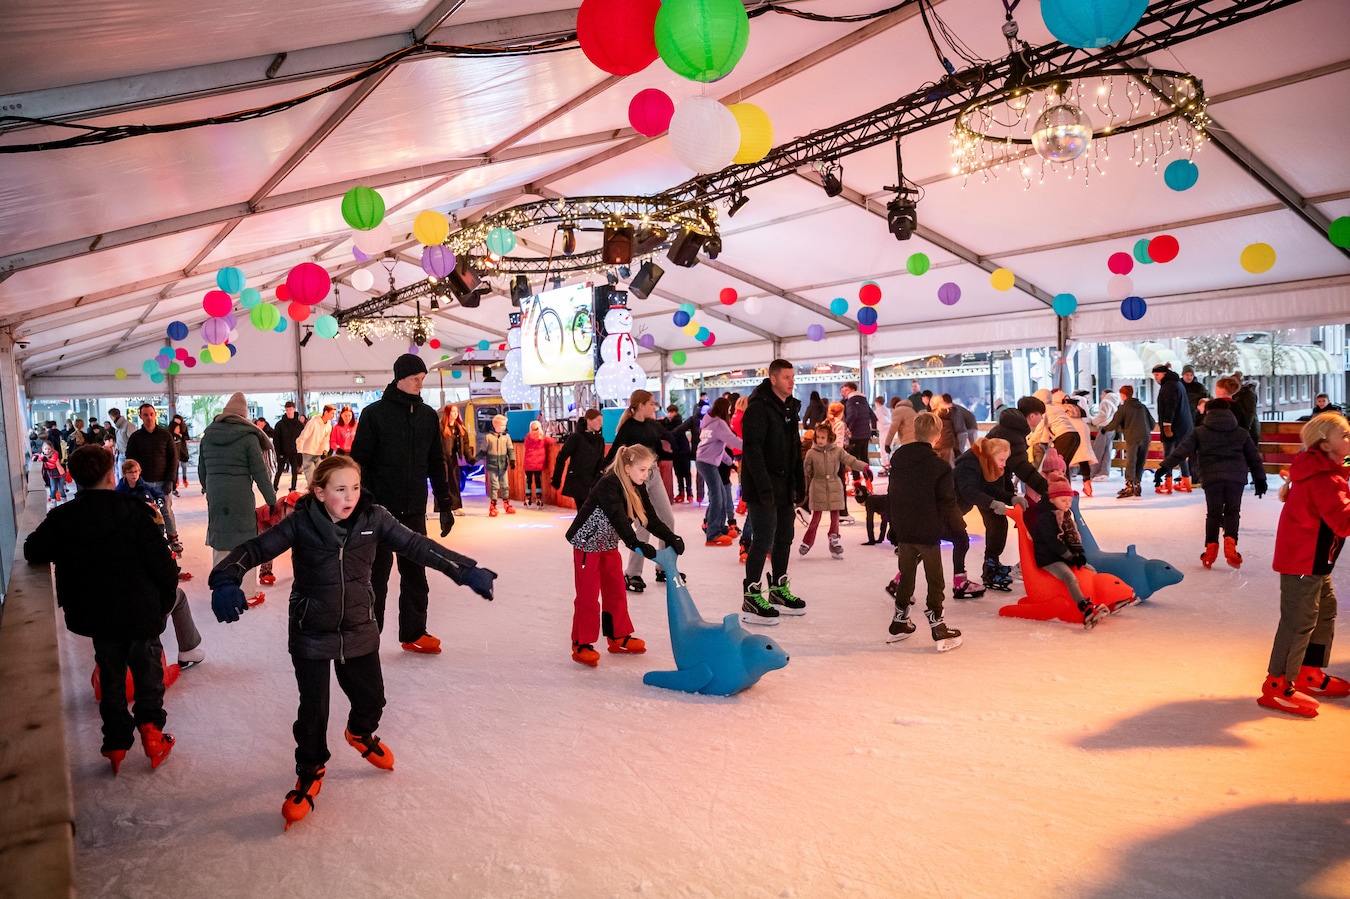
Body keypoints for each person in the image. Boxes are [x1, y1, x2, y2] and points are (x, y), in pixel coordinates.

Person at [207, 455, 496, 829]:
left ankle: (359, 731)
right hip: (311, 627)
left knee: (371, 699)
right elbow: (256, 549)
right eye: (341, 489)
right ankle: (310, 770)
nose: (351, 497)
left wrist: (464, 570)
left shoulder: (374, 519)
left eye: (355, 488)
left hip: (359, 625)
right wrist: (226, 577)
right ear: (320, 492)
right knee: (313, 711)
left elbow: (417, 546)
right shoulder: (302, 523)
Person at [25, 445, 180, 773]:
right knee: (148, 671)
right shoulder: (137, 512)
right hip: (140, 611)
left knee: (111, 674)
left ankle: (115, 743)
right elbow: (163, 566)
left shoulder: (63, 518)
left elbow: (32, 549)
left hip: (97, 615)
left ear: (78, 480)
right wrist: (163, 603)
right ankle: (152, 733)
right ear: (112, 476)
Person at [349, 353, 457, 655]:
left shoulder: (426, 417)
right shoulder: (374, 414)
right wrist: (362, 503)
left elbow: (437, 462)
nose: (420, 385)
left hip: (413, 510)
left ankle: (414, 632)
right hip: (379, 511)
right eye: (415, 379)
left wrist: (444, 504)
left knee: (415, 574)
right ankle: (368, 634)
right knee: (376, 575)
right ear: (400, 378)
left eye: (423, 380)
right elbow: (361, 462)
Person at [1258, 414, 1350, 718]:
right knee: (1298, 620)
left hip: (1317, 560)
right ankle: (1277, 684)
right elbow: (1343, 520)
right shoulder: (1323, 477)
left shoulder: (1327, 469)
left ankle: (1310, 672)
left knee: (1325, 611)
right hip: (1303, 560)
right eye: (1345, 436)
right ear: (1325, 443)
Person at [564, 444, 684, 667]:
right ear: (628, 468)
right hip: (586, 543)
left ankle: (618, 636)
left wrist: (671, 537)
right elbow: (618, 516)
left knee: (616, 588)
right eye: (642, 469)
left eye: (648, 470)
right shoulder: (609, 483)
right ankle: (581, 643)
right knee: (588, 594)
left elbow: (649, 517)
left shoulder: (637, 485)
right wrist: (635, 543)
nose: (646, 475)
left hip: (609, 543)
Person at [883, 411, 965, 651]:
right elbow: (947, 501)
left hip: (905, 529)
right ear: (938, 436)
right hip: (928, 531)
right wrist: (959, 527)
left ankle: (899, 620)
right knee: (935, 578)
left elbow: (893, 495)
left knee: (906, 575)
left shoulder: (899, 458)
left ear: (914, 432)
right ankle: (938, 624)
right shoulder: (939, 466)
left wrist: (893, 527)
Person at [1155, 397, 1268, 568]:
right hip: (1236, 478)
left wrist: (1164, 468)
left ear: (1208, 412)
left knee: (1213, 514)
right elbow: (1254, 458)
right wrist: (1260, 479)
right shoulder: (1241, 432)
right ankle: (1231, 548)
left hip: (1211, 477)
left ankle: (1210, 550)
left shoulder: (1200, 432)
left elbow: (1181, 450)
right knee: (1232, 511)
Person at [739, 359, 808, 625]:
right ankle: (751, 594)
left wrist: (798, 480)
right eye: (787, 377)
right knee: (764, 537)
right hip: (761, 485)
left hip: (783, 483)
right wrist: (764, 486)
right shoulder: (758, 409)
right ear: (773, 379)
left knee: (785, 536)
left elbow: (794, 447)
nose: (792, 381)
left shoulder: (789, 406)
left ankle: (778, 589)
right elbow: (753, 451)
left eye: (793, 377)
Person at [198, 392, 278, 607]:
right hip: (240, 493)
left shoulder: (209, 435)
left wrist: (210, 489)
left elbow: (201, 469)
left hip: (216, 492)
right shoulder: (249, 436)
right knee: (245, 541)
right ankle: (248, 592)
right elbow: (260, 473)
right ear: (243, 415)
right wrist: (272, 500)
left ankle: (221, 589)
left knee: (221, 538)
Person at [604, 390, 678, 592]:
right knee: (644, 525)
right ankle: (633, 573)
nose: (654, 407)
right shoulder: (628, 428)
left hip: (653, 474)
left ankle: (664, 567)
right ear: (641, 405)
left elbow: (661, 449)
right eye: (651, 403)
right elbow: (614, 454)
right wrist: (599, 474)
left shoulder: (653, 425)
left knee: (668, 520)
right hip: (636, 479)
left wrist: (683, 453)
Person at [1027, 472, 1109, 630]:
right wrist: (1070, 557)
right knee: (1069, 577)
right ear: (1052, 499)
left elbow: (1073, 537)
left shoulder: (1065, 515)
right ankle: (1084, 608)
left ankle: (1098, 601)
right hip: (1048, 557)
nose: (1067, 503)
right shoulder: (1046, 517)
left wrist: (1079, 555)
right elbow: (1052, 542)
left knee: (1090, 570)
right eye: (1063, 500)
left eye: (1069, 500)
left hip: (1063, 555)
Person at [954, 436, 1026, 595]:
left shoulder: (983, 463)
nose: (1004, 464)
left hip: (955, 510)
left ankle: (985, 568)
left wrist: (1011, 498)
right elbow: (968, 491)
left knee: (961, 541)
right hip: (946, 509)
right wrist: (992, 503)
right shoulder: (968, 465)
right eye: (1001, 459)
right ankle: (960, 581)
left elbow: (988, 489)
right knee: (955, 541)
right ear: (991, 454)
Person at [799, 423, 868, 559]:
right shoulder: (811, 453)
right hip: (817, 485)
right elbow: (806, 471)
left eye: (823, 437)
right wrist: (801, 487)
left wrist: (864, 467)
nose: (820, 440)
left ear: (829, 438)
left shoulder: (837, 451)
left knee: (835, 516)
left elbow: (851, 460)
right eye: (818, 437)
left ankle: (834, 539)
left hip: (834, 486)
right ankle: (807, 541)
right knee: (816, 517)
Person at [126, 403, 182, 554]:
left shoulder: (165, 435)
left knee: (165, 510)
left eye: (151, 414)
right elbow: (130, 459)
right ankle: (148, 539)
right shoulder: (135, 438)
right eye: (145, 415)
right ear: (140, 417)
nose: (149, 417)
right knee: (145, 512)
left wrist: (171, 480)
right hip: (144, 483)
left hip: (163, 482)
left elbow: (173, 459)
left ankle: (173, 538)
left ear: (155, 415)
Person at [695, 397, 741, 546]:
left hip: (705, 461)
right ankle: (713, 533)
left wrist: (730, 463)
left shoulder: (710, 423)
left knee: (720, 495)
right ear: (724, 409)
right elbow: (732, 441)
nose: (730, 411)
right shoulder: (719, 424)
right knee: (717, 497)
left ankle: (720, 528)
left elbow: (718, 449)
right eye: (729, 409)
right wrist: (753, 445)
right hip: (707, 463)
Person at [1101, 385, 1152, 499]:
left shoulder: (1124, 408)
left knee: (1131, 461)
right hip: (1145, 437)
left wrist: (1105, 429)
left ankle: (1129, 485)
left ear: (1123, 395)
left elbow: (1114, 423)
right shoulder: (1143, 407)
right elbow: (1152, 423)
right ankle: (1137, 484)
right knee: (1140, 460)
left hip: (1132, 437)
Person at [1153, 364, 1195, 493]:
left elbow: (1169, 406)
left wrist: (1167, 425)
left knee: (1169, 455)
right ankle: (1186, 481)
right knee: (1180, 454)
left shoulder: (1169, 386)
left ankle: (1168, 482)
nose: (1156, 378)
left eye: (1157, 375)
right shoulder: (1177, 383)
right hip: (1184, 425)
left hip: (1174, 426)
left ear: (1164, 374)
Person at [552, 409, 606, 509]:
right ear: (589, 420)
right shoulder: (576, 438)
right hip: (578, 480)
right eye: (598, 420)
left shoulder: (600, 440)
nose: (601, 423)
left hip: (593, 481)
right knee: (584, 511)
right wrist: (556, 478)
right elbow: (561, 457)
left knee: (590, 512)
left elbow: (601, 461)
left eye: (601, 421)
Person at [480, 414, 516, 516]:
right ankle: (493, 505)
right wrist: (475, 459)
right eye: (501, 425)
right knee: (494, 485)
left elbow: (510, 449)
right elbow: (483, 451)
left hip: (503, 465)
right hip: (492, 465)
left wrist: (512, 460)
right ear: (495, 425)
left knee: (505, 485)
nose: (503, 427)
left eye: (504, 425)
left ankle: (506, 503)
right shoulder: (489, 437)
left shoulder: (506, 437)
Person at [438, 404, 470, 515]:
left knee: (455, 482)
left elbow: (465, 444)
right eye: (453, 411)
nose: (455, 413)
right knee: (444, 482)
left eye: (457, 411)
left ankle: (456, 506)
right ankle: (444, 507)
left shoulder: (459, 428)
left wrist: (469, 457)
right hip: (441, 458)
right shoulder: (440, 427)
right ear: (448, 413)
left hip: (453, 458)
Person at [296, 404, 336, 485]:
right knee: (311, 479)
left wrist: (325, 451)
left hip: (319, 454)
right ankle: (312, 494)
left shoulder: (328, 425)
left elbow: (326, 440)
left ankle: (317, 495)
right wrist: (299, 451)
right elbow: (302, 437)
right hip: (308, 452)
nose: (333, 416)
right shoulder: (313, 423)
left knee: (320, 477)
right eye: (332, 413)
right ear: (326, 412)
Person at [664, 404, 696, 503]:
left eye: (672, 412)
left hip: (683, 448)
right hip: (675, 449)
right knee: (678, 472)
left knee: (686, 472)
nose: (670, 414)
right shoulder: (667, 422)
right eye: (669, 412)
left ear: (676, 412)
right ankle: (681, 492)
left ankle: (689, 492)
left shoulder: (679, 422)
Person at [272, 401, 305, 492]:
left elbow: (303, 438)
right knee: (280, 470)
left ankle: (293, 487)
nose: (289, 411)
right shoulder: (280, 425)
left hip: (295, 452)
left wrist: (300, 452)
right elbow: (276, 440)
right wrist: (278, 453)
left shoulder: (299, 425)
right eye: (287, 410)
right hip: (283, 451)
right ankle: (274, 486)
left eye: (290, 409)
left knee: (295, 470)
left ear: (294, 409)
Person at [1088, 388, 1120, 480]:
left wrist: (1094, 420)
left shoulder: (1106, 402)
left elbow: (1103, 415)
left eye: (1102, 393)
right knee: (1107, 451)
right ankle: (1104, 472)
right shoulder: (1115, 402)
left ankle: (1094, 472)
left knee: (1098, 450)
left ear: (1106, 394)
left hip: (1104, 427)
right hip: (1111, 428)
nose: (1101, 396)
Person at [522, 420, 555, 508]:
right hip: (538, 463)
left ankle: (528, 497)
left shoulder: (527, 436)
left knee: (528, 480)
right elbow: (552, 441)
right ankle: (538, 498)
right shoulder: (542, 437)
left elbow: (525, 445)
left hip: (528, 462)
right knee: (538, 481)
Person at [39, 440, 67, 507]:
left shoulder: (55, 453)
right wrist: (40, 458)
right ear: (42, 449)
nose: (47, 450)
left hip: (60, 474)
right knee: (53, 489)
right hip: (52, 475)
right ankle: (53, 501)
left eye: (49, 448)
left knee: (61, 489)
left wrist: (46, 459)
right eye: (45, 449)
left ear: (52, 448)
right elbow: (40, 459)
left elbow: (53, 463)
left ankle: (64, 501)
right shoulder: (42, 455)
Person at [169, 414, 191, 494]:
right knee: (176, 464)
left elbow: (187, 437)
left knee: (184, 465)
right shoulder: (171, 427)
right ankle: (176, 479)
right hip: (175, 448)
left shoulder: (184, 427)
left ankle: (184, 478)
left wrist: (181, 435)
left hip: (182, 448)